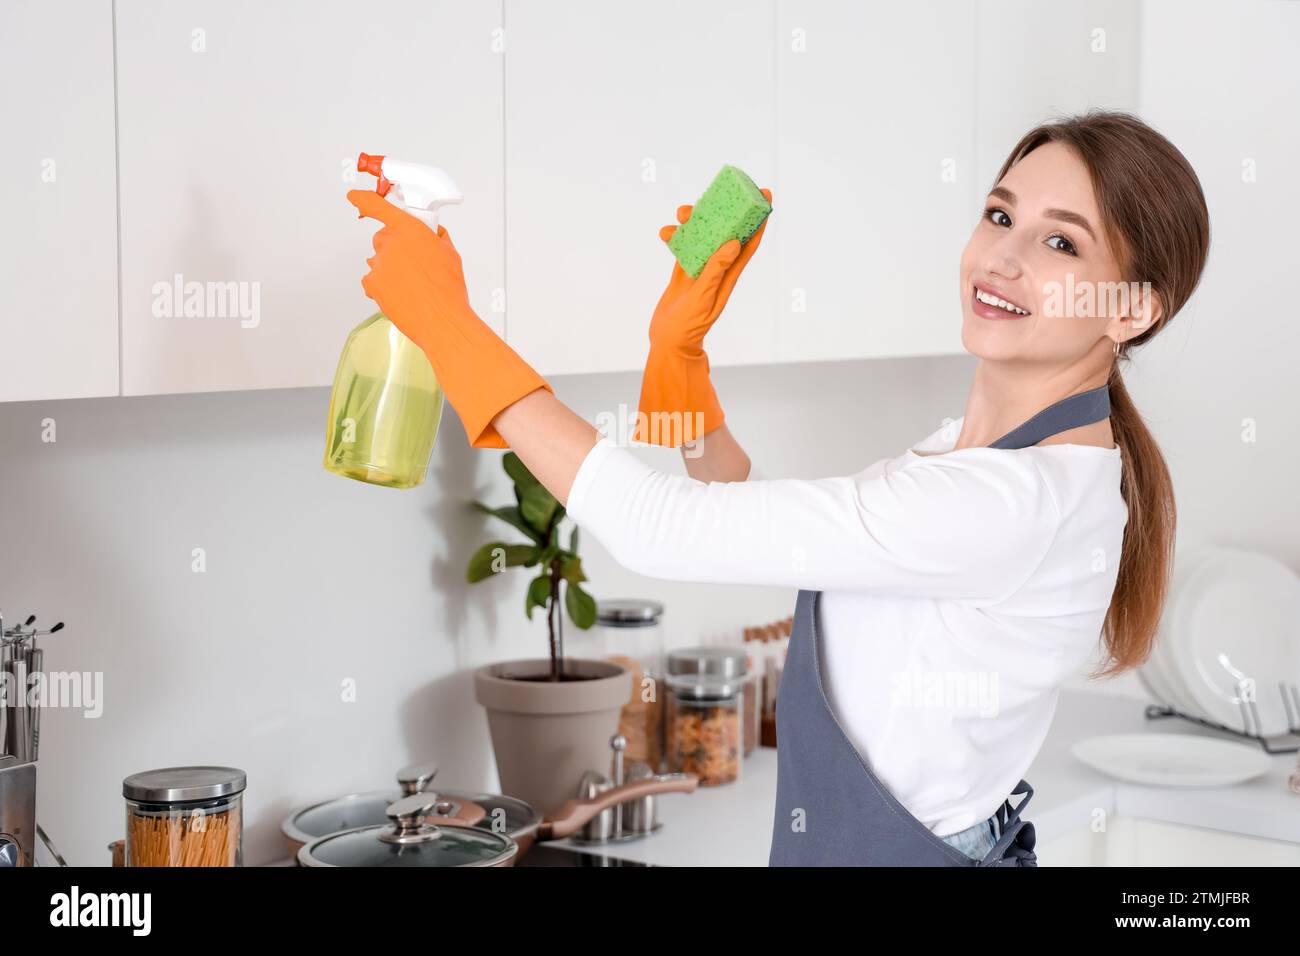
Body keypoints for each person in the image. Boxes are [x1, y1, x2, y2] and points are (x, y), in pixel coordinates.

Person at [347, 110, 1210, 866]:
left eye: (1061, 241)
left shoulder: (1010, 499)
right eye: (999, 214)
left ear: (1132, 309)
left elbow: (659, 530)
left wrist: (452, 330)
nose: (1004, 257)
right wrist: (678, 366)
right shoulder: (972, 455)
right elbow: (787, 538)